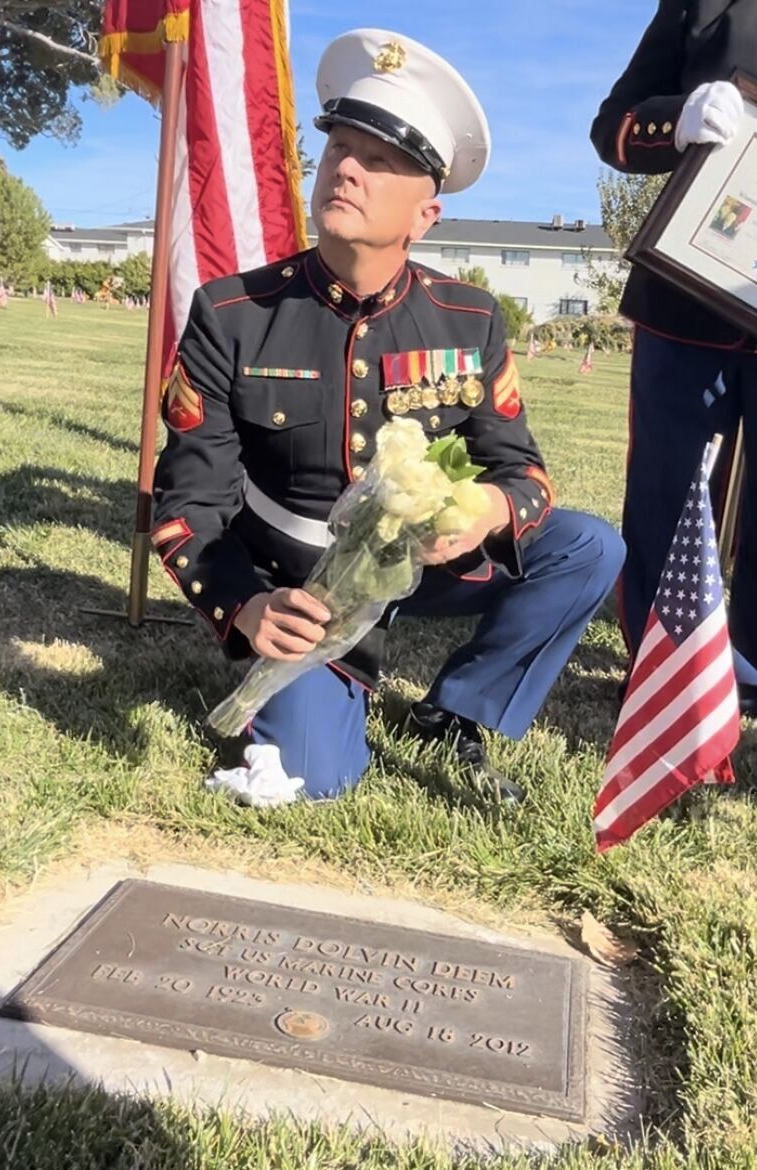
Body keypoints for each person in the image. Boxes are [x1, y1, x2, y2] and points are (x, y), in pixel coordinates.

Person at [152, 27, 625, 802]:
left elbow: (523, 471)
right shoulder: (233, 314)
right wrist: (245, 605)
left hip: (424, 570)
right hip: (299, 587)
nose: (346, 168)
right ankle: (322, 689)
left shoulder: (467, 319)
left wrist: (487, 512)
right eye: (339, 146)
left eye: (380, 162)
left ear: (426, 212)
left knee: (588, 547)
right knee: (314, 780)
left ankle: (458, 712)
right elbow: (186, 508)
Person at [591, 3, 757, 727]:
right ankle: (662, 672)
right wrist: (674, 120)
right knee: (669, 497)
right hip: (688, 300)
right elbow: (613, 124)